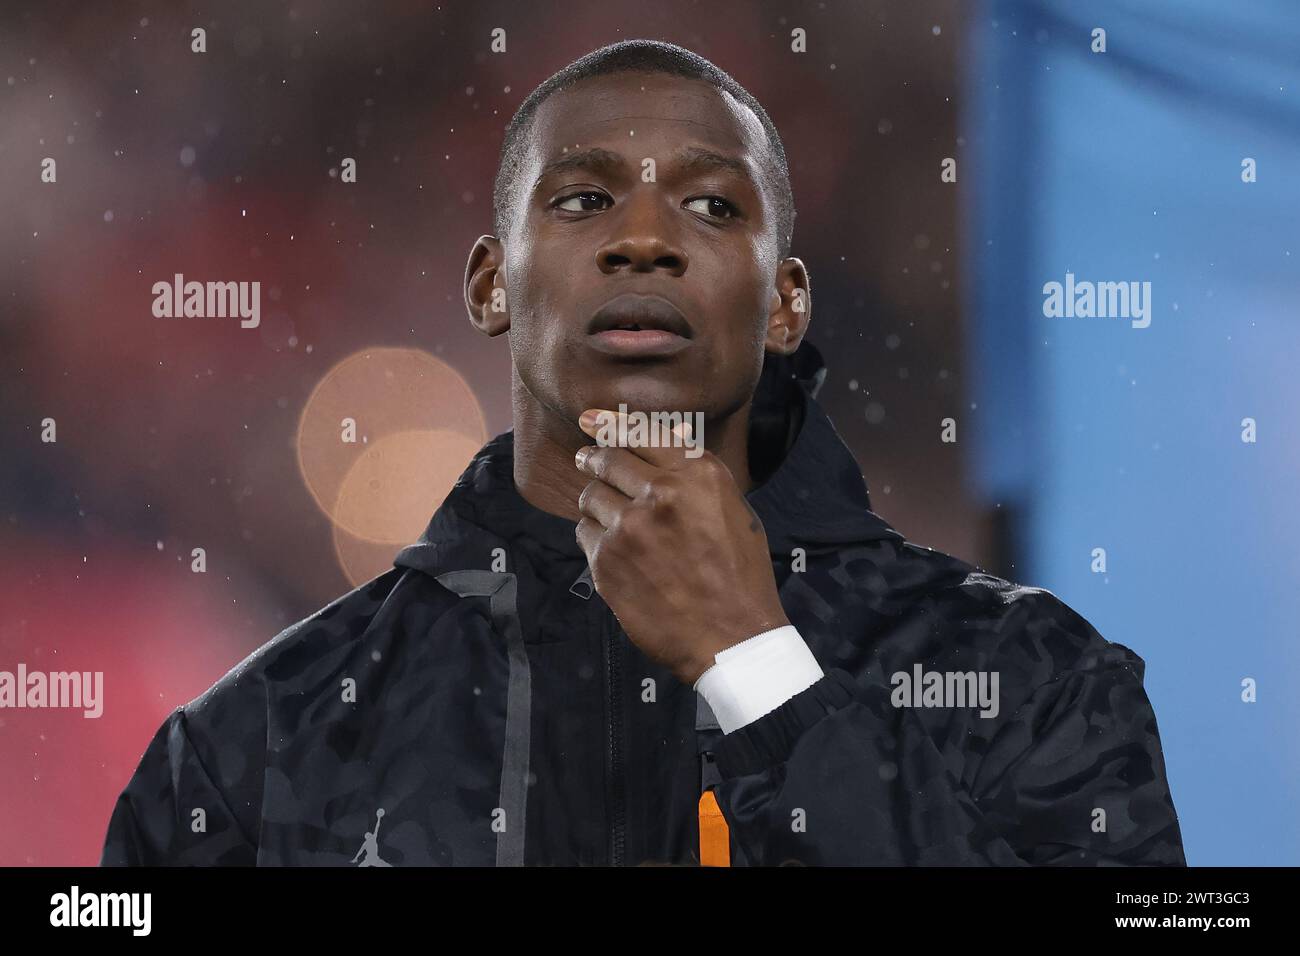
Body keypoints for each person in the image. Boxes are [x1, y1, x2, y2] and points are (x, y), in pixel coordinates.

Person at [100, 39, 1185, 867]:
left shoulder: (1036, 680)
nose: (645, 236)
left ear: (786, 302)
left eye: (711, 204)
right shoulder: (250, 744)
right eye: (582, 198)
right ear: (488, 282)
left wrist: (758, 671)